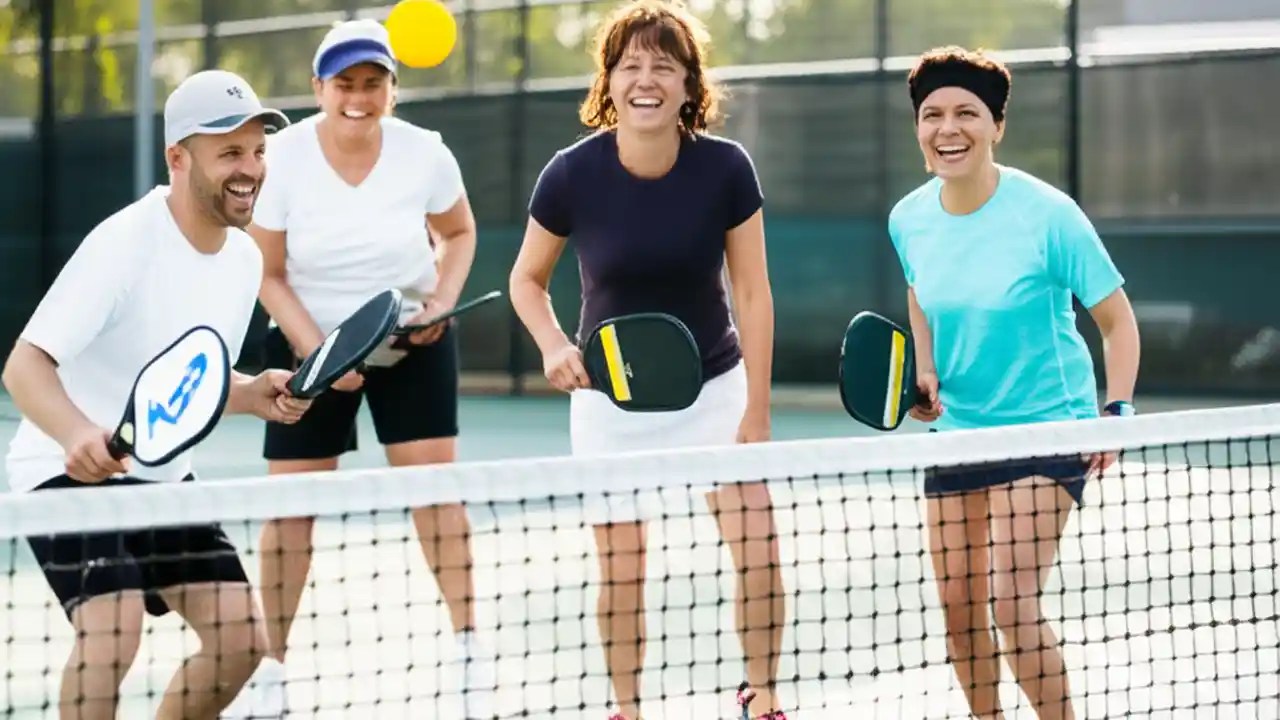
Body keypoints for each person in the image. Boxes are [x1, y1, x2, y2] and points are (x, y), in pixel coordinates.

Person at [1, 69, 309, 720]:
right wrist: (77, 434)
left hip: (161, 475)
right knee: (113, 630)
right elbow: (24, 365)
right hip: (62, 473)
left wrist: (253, 393)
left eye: (258, 150)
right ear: (179, 157)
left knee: (240, 641)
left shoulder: (245, 260)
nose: (250, 168)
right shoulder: (125, 244)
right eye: (229, 152)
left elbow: (192, 376)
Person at [508, 2, 787, 719]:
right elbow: (526, 281)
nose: (647, 78)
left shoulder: (726, 168)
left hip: (716, 388)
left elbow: (753, 292)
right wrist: (552, 346)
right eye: (630, 64)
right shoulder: (570, 174)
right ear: (609, 81)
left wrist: (756, 407)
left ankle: (764, 699)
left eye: (665, 65)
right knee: (623, 571)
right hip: (610, 402)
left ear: (691, 86)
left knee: (760, 548)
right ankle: (627, 708)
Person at [244, 18, 494, 718]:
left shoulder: (426, 153)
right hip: (304, 340)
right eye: (345, 83)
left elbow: (459, 231)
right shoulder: (282, 156)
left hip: (413, 342)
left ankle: (470, 648)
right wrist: (320, 354)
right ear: (319, 87)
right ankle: (271, 666)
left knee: (435, 494)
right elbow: (267, 271)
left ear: (392, 87)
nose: (359, 97)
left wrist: (441, 300)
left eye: (374, 83)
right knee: (291, 513)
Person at [888, 46, 1141, 719]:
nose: (949, 128)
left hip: (1048, 427)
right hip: (957, 434)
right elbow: (920, 293)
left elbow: (1117, 322)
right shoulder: (907, 218)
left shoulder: (1048, 215)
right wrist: (928, 367)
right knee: (959, 605)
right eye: (933, 114)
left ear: (997, 125)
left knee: (1010, 599)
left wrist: (1114, 410)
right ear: (918, 128)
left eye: (967, 113)